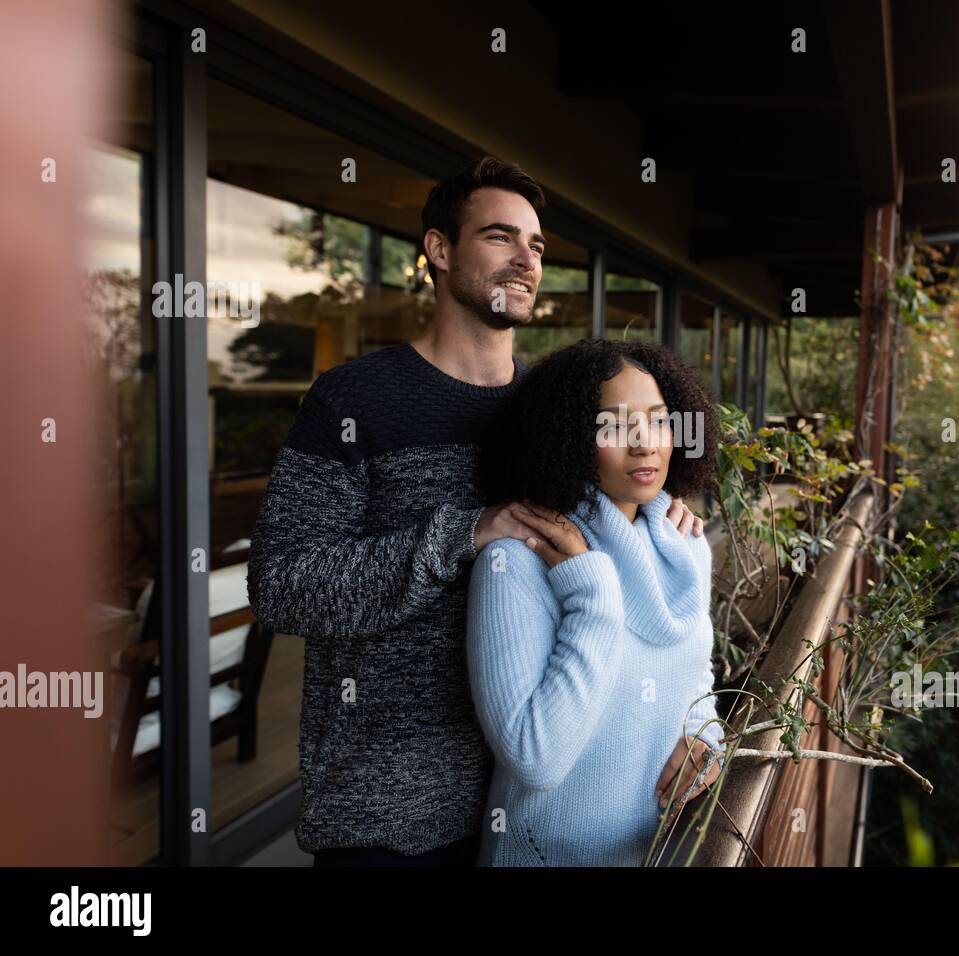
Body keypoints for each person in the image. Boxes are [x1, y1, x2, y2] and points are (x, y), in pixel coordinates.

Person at [247, 156, 704, 867]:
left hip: (535, 804)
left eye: (538, 245)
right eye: (500, 237)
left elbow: (614, 522)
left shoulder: (555, 411)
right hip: (389, 809)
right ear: (437, 250)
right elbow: (283, 586)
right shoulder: (354, 401)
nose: (527, 259)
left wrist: (667, 517)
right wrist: (461, 534)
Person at [468, 338, 727, 866]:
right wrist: (594, 594)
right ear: (569, 439)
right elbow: (533, 758)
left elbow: (697, 679)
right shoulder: (518, 562)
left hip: (648, 851)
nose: (644, 444)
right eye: (613, 426)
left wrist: (708, 742)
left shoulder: (685, 547)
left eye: (658, 421)